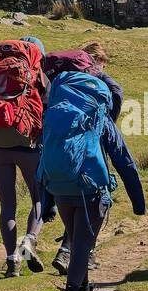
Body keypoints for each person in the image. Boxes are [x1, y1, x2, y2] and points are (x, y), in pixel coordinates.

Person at [37, 70, 146, 291]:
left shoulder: (53, 116)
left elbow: (46, 157)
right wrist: (138, 204)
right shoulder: (100, 118)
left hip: (59, 189)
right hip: (90, 190)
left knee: (77, 242)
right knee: (84, 245)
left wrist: (46, 203)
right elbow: (124, 161)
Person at [0, 36, 50, 277]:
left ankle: (11, 259)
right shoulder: (37, 75)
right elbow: (46, 111)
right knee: (39, 199)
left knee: (8, 206)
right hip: (28, 145)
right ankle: (29, 241)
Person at [42, 41, 124, 275]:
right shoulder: (98, 81)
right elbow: (116, 94)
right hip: (90, 147)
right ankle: (75, 254)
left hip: (57, 150)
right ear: (97, 62)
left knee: (73, 201)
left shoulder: (62, 81)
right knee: (97, 200)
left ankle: (75, 252)